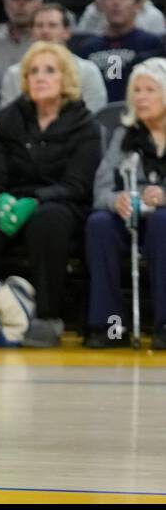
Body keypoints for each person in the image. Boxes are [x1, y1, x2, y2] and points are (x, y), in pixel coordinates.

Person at [0, 41, 100, 346]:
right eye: (33, 71)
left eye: (49, 71)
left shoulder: (85, 124)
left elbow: (78, 185)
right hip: (11, 200)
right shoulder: (7, 118)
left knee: (48, 220)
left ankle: (47, 318)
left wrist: (36, 200)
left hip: (61, 203)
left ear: (66, 78)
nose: (40, 77)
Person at [85, 58, 166, 349]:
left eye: (150, 90)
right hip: (131, 215)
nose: (141, 97)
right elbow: (101, 188)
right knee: (99, 223)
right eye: (137, 91)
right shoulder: (124, 135)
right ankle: (109, 325)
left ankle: (164, 325)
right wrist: (115, 200)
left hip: (161, 219)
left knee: (162, 221)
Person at [0, 3, 108, 111]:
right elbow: (8, 122)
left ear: (67, 32)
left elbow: (95, 117)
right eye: (39, 26)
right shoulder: (13, 74)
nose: (45, 31)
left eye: (52, 25)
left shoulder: (88, 71)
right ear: (32, 32)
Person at [75, 0, 162, 104]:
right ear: (103, 5)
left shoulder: (152, 44)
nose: (116, 3)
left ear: (137, 6)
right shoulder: (87, 48)